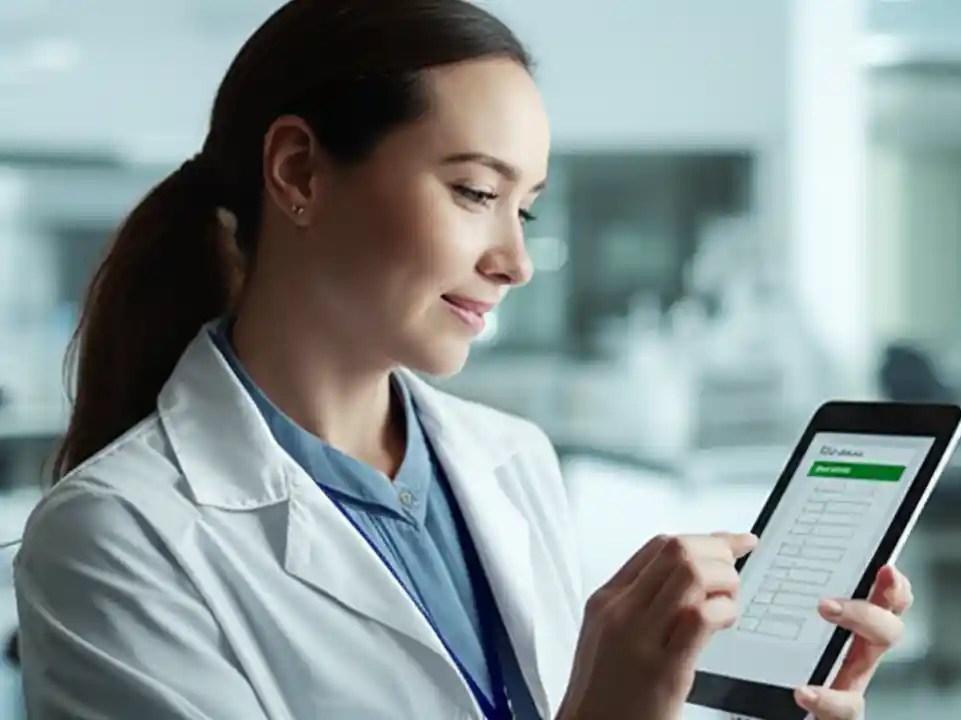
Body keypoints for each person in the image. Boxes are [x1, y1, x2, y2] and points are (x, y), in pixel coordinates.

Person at [13, 1, 912, 718]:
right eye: (476, 192)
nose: (514, 262)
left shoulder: (511, 459)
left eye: (525, 209)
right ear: (298, 172)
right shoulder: (113, 539)